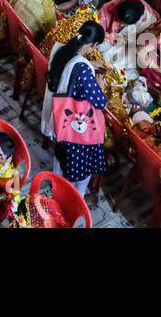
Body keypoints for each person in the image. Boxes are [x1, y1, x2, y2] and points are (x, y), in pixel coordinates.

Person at [44, 20, 107, 194]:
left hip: (60, 119)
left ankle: (55, 182)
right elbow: (100, 102)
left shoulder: (63, 51)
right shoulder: (83, 70)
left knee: (60, 154)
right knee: (82, 166)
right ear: (93, 44)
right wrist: (100, 85)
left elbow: (73, 69)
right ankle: (76, 195)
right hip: (76, 124)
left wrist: (89, 65)